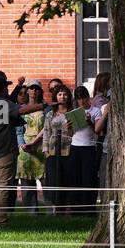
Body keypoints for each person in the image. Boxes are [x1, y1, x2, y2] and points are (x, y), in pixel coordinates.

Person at [0, 71, 44, 227]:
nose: (7, 89)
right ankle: (1, 221)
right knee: (4, 186)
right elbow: (21, 110)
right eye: (6, 86)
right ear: (3, 87)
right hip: (5, 149)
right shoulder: (2, 103)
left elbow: (5, 105)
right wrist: (44, 105)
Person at [67, 85, 105, 212]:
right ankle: (75, 208)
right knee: (74, 178)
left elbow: (98, 131)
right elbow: (70, 134)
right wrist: (69, 127)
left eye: (83, 98)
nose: (81, 101)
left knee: (88, 178)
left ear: (88, 97)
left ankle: (88, 208)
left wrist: (89, 122)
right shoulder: (74, 112)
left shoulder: (96, 111)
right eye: (78, 98)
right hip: (75, 147)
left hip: (89, 147)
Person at [39, 85, 75, 214]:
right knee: (54, 181)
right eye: (59, 94)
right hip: (53, 152)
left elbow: (76, 132)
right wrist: (46, 151)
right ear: (55, 96)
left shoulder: (73, 112)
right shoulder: (50, 114)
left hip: (69, 152)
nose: (62, 97)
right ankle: (56, 209)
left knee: (67, 180)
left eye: (65, 94)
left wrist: (68, 128)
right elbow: (46, 133)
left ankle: (67, 209)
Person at [16, 83, 47, 213]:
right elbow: (18, 130)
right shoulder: (21, 109)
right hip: (25, 148)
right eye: (31, 88)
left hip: (41, 146)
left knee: (45, 180)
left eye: (36, 88)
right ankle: (31, 212)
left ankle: (51, 210)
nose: (33, 91)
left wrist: (35, 142)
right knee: (27, 182)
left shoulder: (46, 108)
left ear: (40, 91)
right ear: (27, 91)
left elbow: (48, 127)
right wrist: (22, 144)